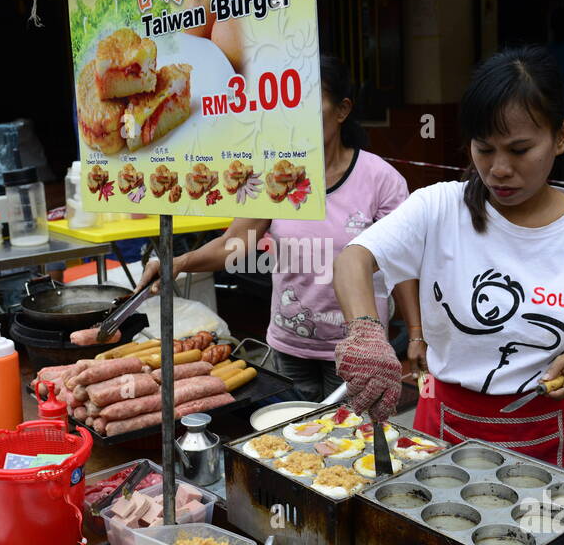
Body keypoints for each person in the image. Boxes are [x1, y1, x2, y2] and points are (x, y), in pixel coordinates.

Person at [332, 46, 564, 473]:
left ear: (561, 136)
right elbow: (354, 257)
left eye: (519, 150)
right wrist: (366, 331)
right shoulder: (439, 207)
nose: (498, 169)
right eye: (484, 149)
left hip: (555, 434)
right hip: (447, 425)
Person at [139, 55, 422, 402]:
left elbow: (404, 265)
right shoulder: (276, 175)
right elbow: (234, 244)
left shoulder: (380, 179)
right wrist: (177, 263)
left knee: (349, 447)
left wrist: (416, 333)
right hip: (289, 347)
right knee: (289, 446)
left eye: (309, 106)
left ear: (342, 110)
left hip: (355, 354)